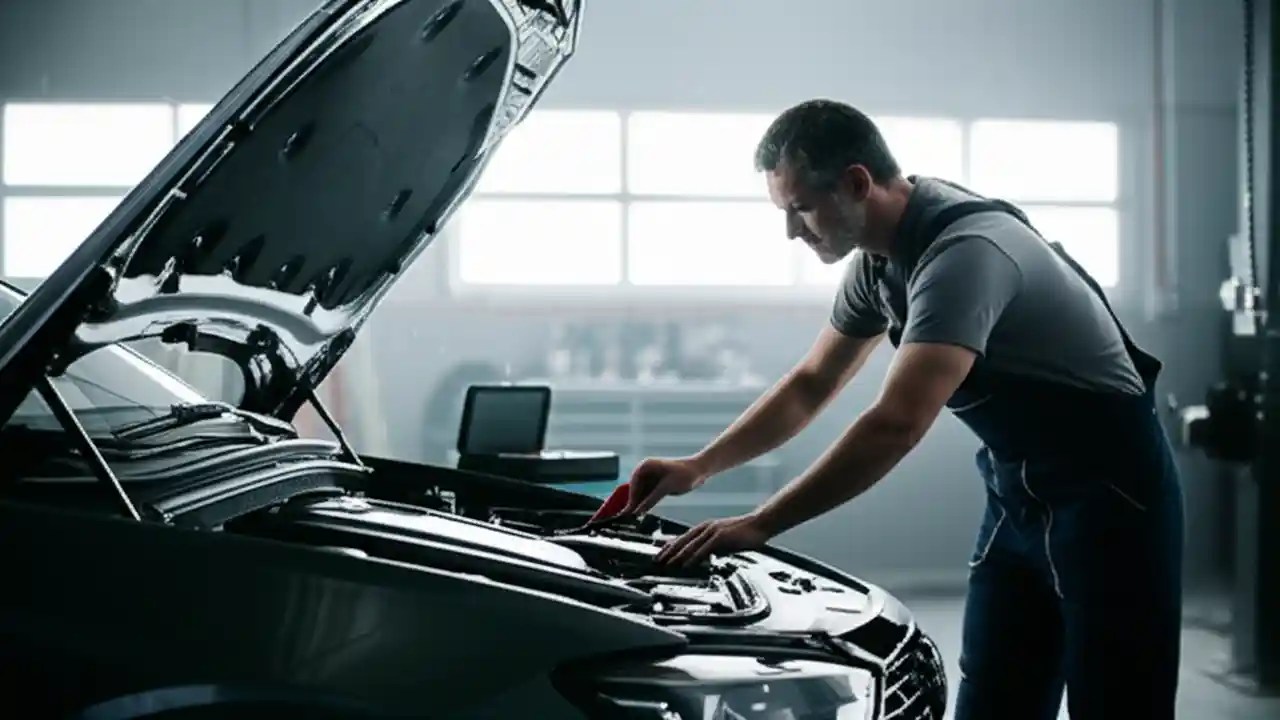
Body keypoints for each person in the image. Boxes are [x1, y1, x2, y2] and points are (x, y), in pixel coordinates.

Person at [619, 99, 1184, 719]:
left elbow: (896, 424)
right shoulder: (876, 262)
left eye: (801, 208)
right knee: (996, 699)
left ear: (858, 182)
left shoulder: (967, 253)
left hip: (1111, 501)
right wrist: (697, 467)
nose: (792, 232)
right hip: (1019, 500)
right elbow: (812, 382)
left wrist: (759, 525)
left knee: (1119, 702)